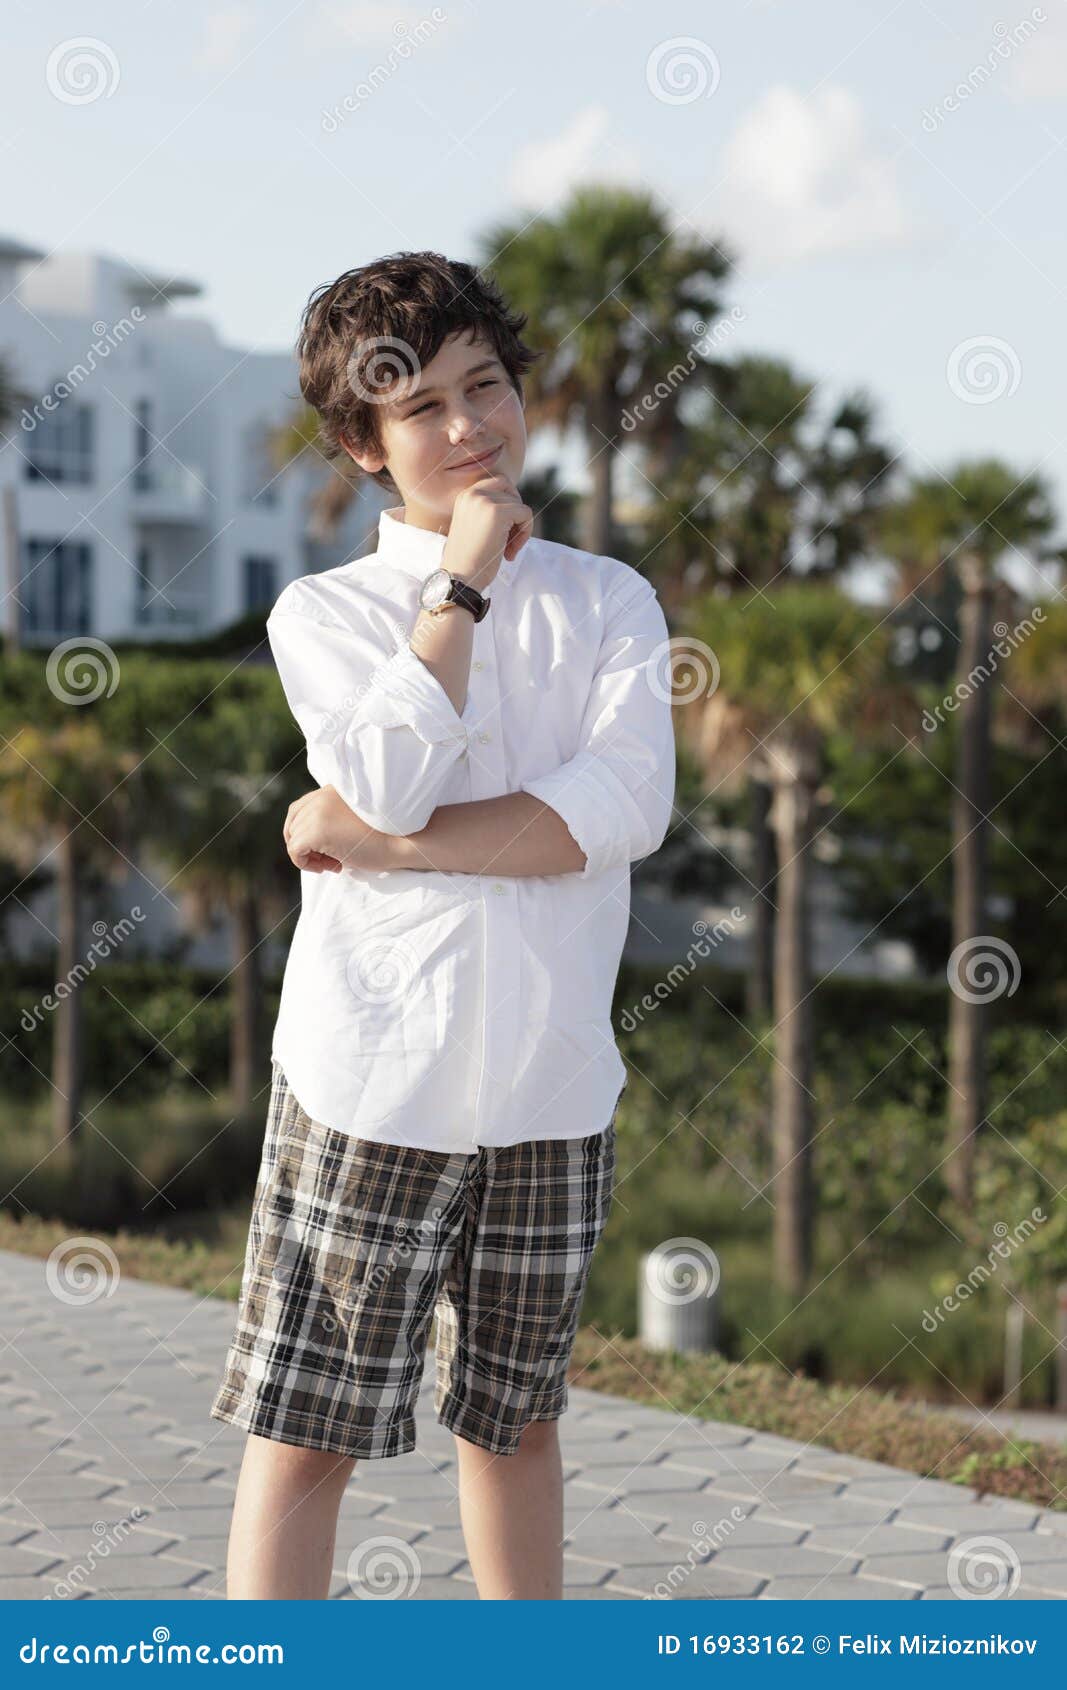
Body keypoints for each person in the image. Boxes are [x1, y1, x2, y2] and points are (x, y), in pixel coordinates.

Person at [209, 249, 676, 1600]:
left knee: (517, 1421)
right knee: (308, 1434)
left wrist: (368, 840)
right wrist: (461, 585)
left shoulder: (610, 602)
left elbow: (620, 807)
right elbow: (408, 768)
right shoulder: (326, 615)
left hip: (550, 1088)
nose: (469, 427)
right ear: (364, 440)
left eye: (487, 387)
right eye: (421, 406)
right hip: (372, 1086)